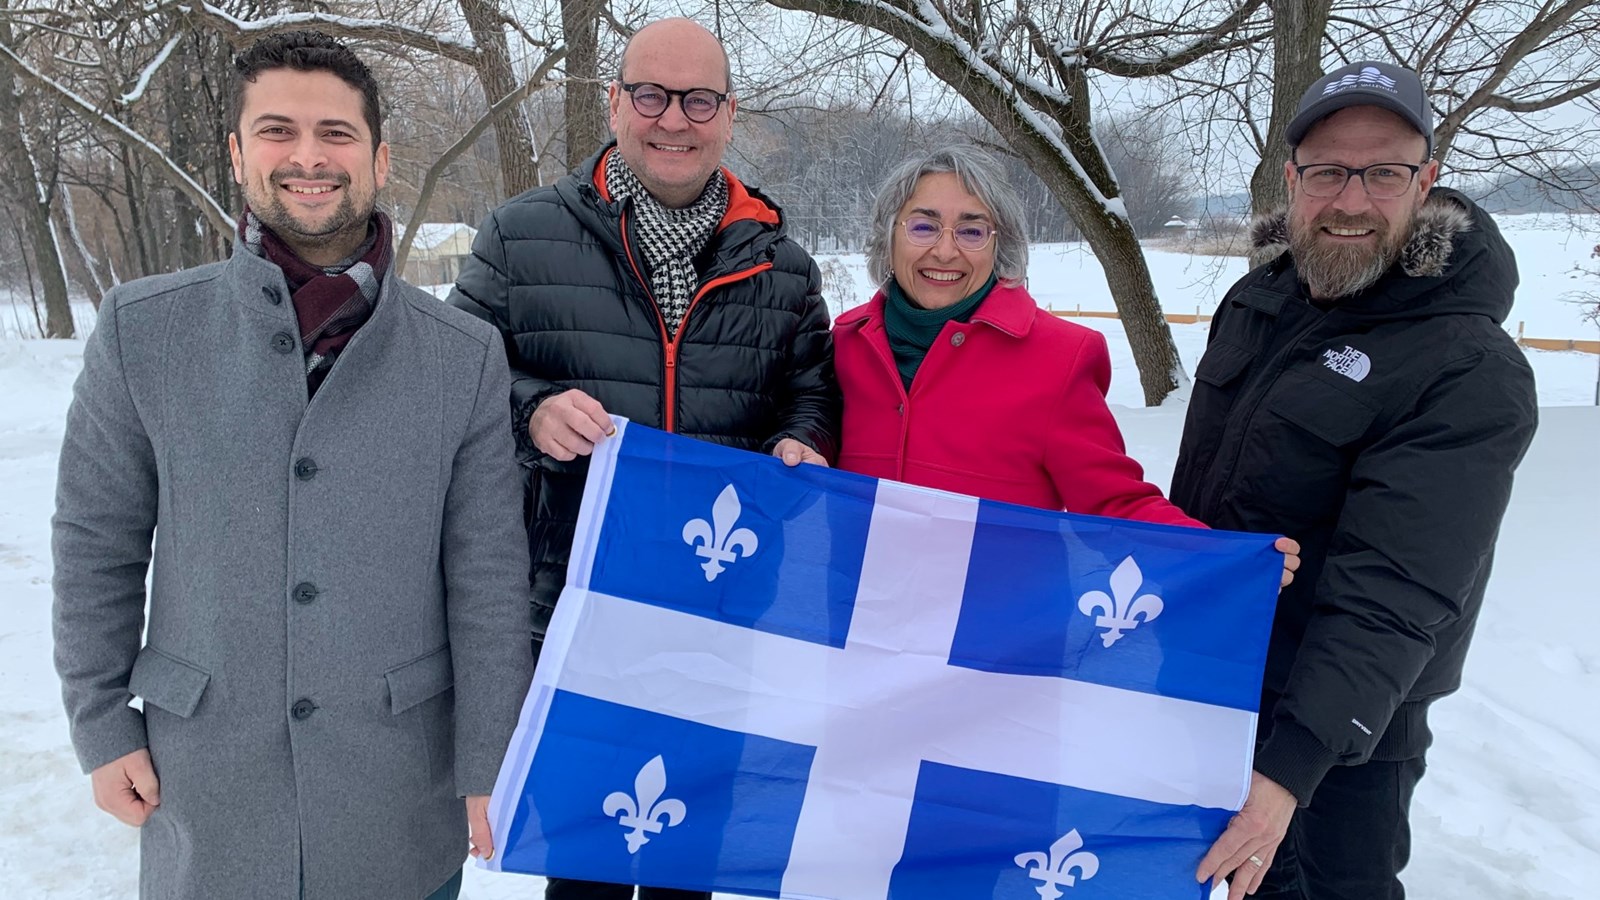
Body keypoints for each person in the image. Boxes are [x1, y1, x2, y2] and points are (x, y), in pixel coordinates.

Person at [51, 31, 534, 900]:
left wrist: (489, 758)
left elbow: (488, 576)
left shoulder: (463, 355)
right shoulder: (143, 331)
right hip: (206, 790)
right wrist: (99, 724)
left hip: (395, 800)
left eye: (337, 133)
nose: (308, 156)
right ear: (237, 154)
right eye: (277, 130)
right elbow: (95, 546)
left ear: (380, 157)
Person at [447, 16, 837, 900]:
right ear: (615, 102)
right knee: (582, 863)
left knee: (681, 863)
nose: (674, 119)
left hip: (717, 614)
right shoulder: (520, 236)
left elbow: (812, 394)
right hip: (574, 608)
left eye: (698, 99)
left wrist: (802, 443)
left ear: (729, 115)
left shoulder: (781, 266)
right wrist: (529, 410)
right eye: (652, 95)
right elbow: (453, 381)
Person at [1174, 61, 1538, 900]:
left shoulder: (1466, 364)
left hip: (1340, 740)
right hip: (1216, 679)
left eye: (1383, 173)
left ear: (1428, 183)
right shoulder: (1258, 298)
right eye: (1329, 171)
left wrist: (1288, 771)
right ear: (1292, 179)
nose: (1350, 200)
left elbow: (1398, 590)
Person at [833, 144, 1303, 557]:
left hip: (990, 645)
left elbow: (1114, 502)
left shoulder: (1058, 357)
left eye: (972, 231)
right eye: (923, 226)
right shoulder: (841, 345)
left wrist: (1221, 559)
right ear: (889, 235)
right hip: (852, 632)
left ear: (1000, 246)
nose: (945, 251)